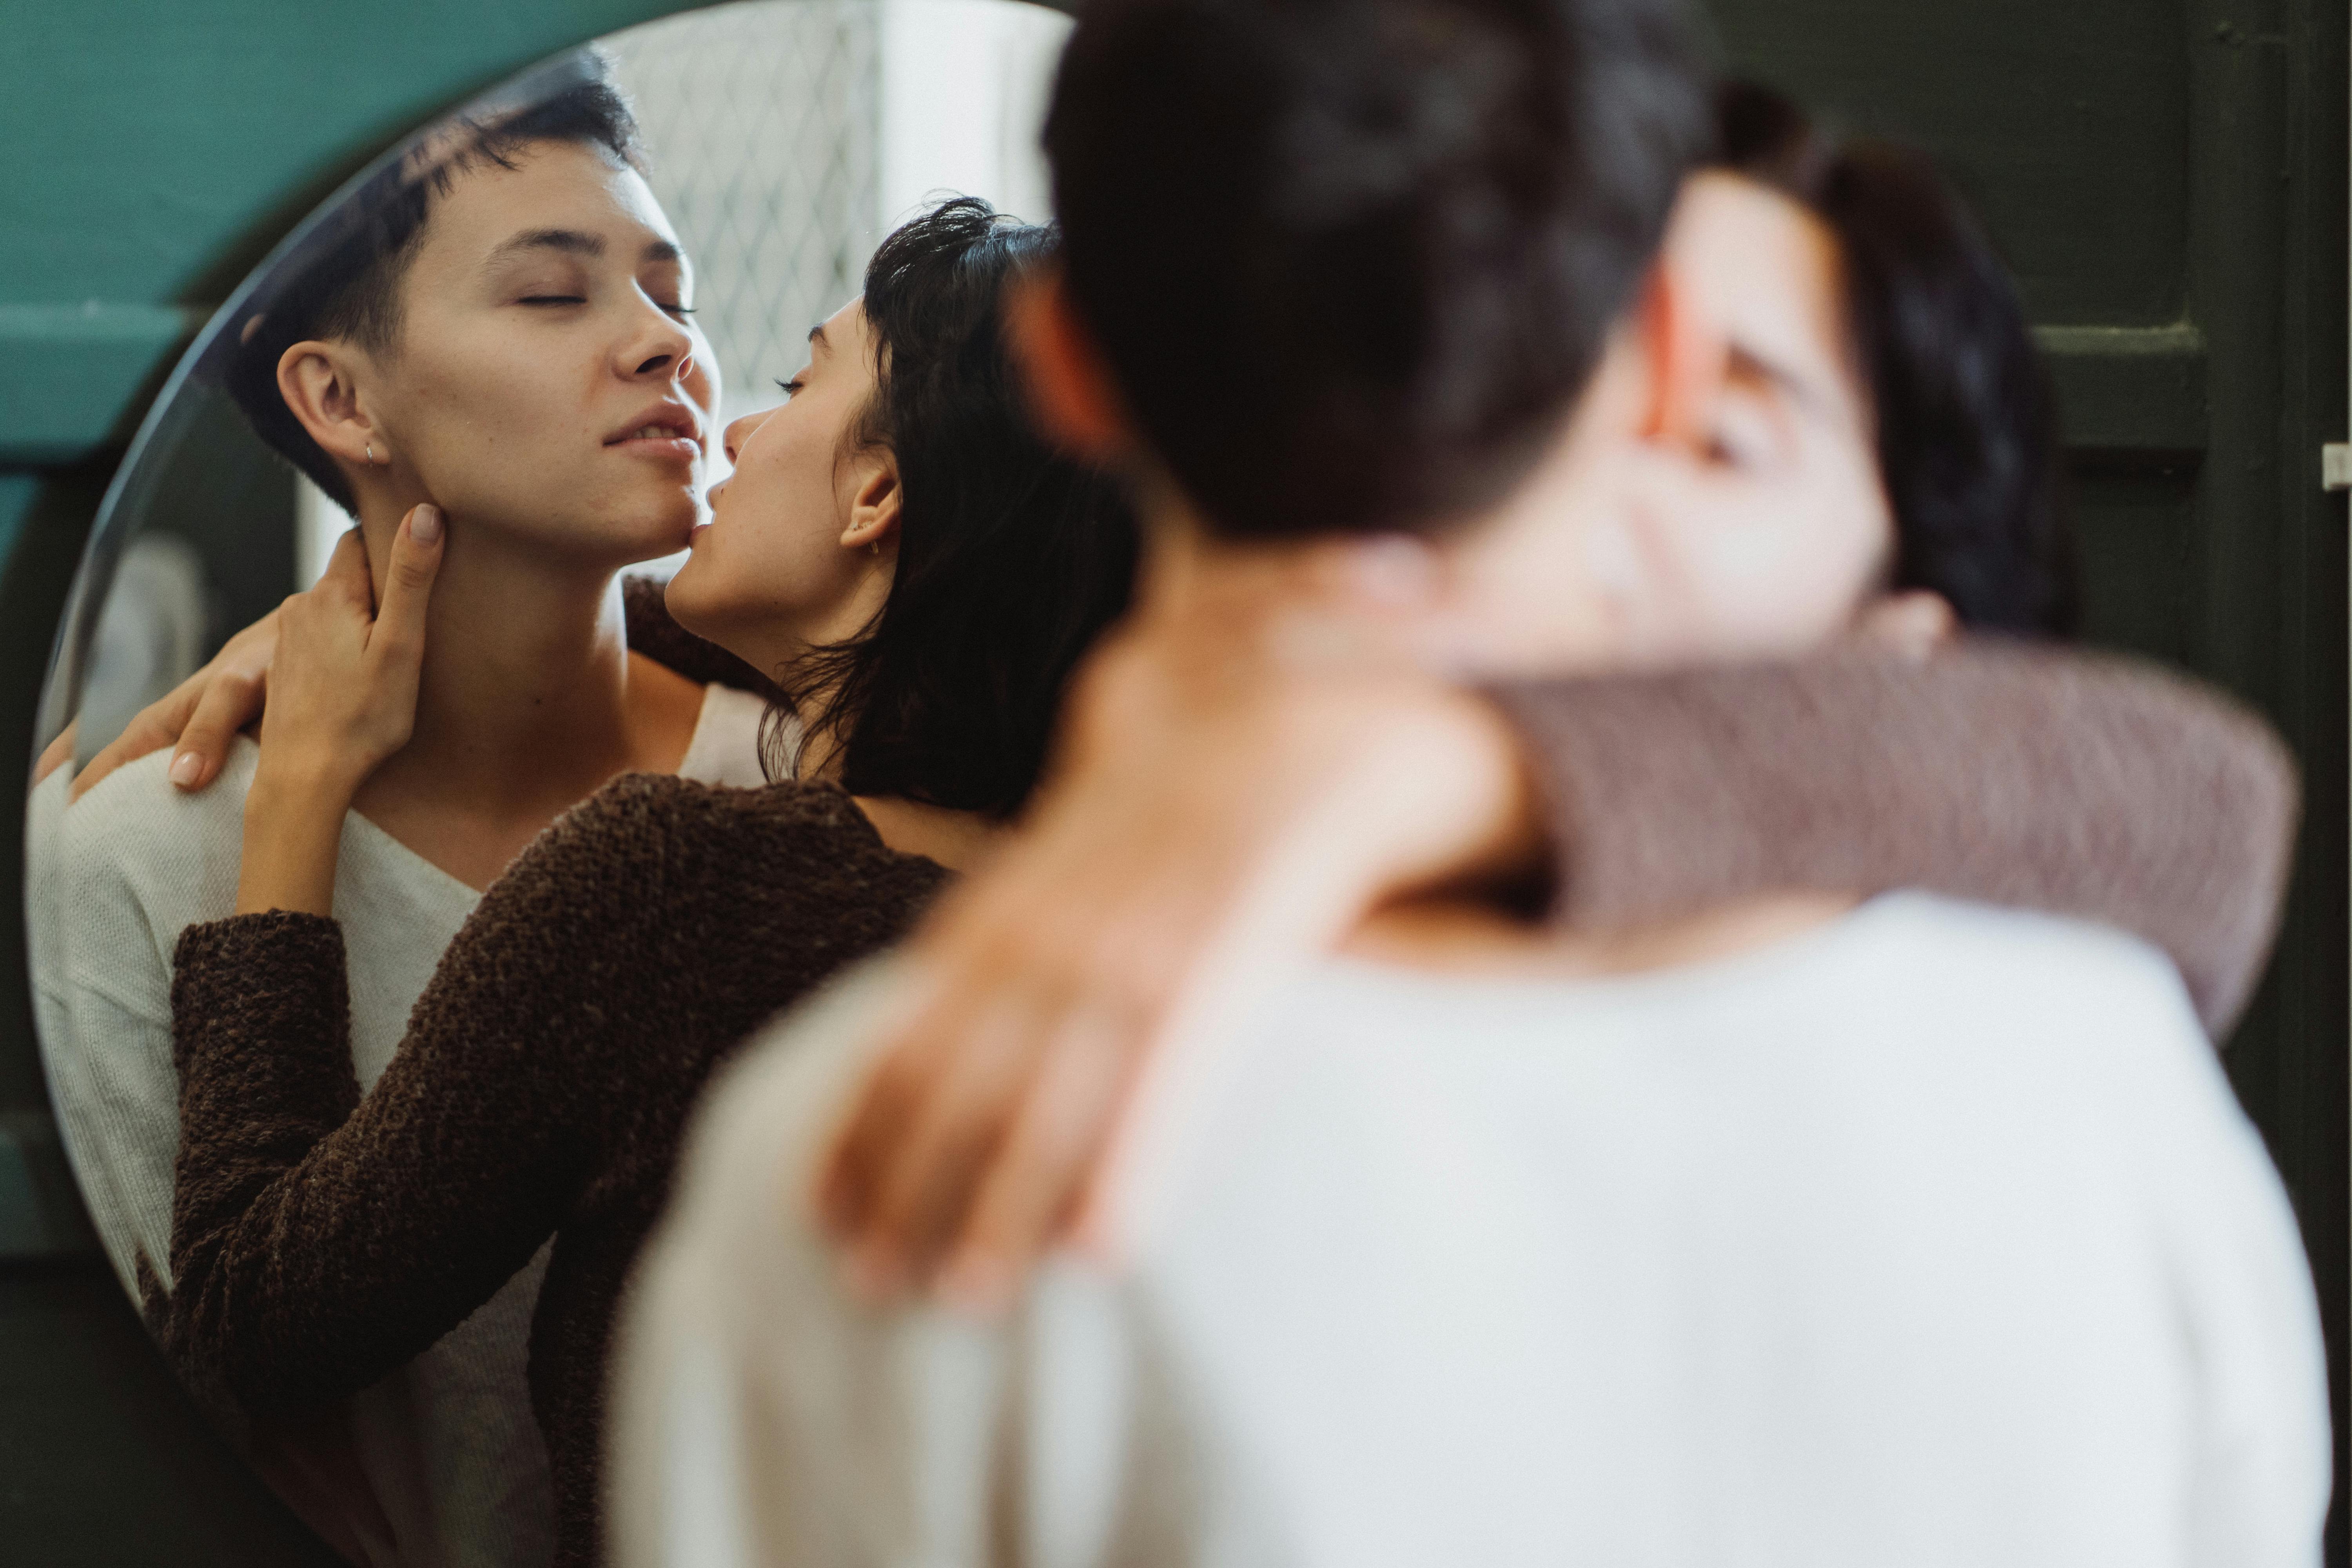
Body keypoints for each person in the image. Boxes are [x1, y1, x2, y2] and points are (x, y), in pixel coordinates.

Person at [615, 5, 2327, 1564]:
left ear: (1066, 367)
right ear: (1654, 348)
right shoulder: (2089, 1086)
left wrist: (1438, 764)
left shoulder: (885, 1157)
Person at [152, 198, 1141, 1568]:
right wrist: (437, 618)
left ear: (877, 494)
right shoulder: (1112, 888)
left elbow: (256, 1322)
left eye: (804, 383)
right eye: (556, 296)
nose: (729, 415)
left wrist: (301, 792)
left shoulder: (686, 894)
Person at [26, 67, 771, 1568]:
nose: (664, 346)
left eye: (670, 293)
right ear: (339, 398)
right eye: (554, 295)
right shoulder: (137, 859)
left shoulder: (809, 785)